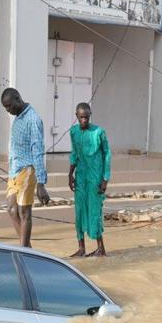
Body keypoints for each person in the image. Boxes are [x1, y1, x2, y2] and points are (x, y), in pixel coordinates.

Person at [1, 88, 50, 248]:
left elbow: (38, 150)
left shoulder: (33, 119)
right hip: (15, 171)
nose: (8, 110)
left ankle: (24, 252)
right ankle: (27, 248)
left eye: (9, 106)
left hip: (28, 170)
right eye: (5, 108)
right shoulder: (18, 118)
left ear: (17, 99)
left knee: (24, 212)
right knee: (11, 209)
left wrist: (41, 184)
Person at [68, 103, 111, 257]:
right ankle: (81, 247)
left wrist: (105, 179)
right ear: (77, 116)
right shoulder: (73, 132)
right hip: (81, 177)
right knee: (79, 211)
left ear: (90, 115)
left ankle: (101, 248)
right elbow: (74, 153)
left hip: (95, 179)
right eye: (81, 117)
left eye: (87, 117)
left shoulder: (99, 132)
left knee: (94, 212)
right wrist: (70, 174)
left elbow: (107, 154)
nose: (84, 120)